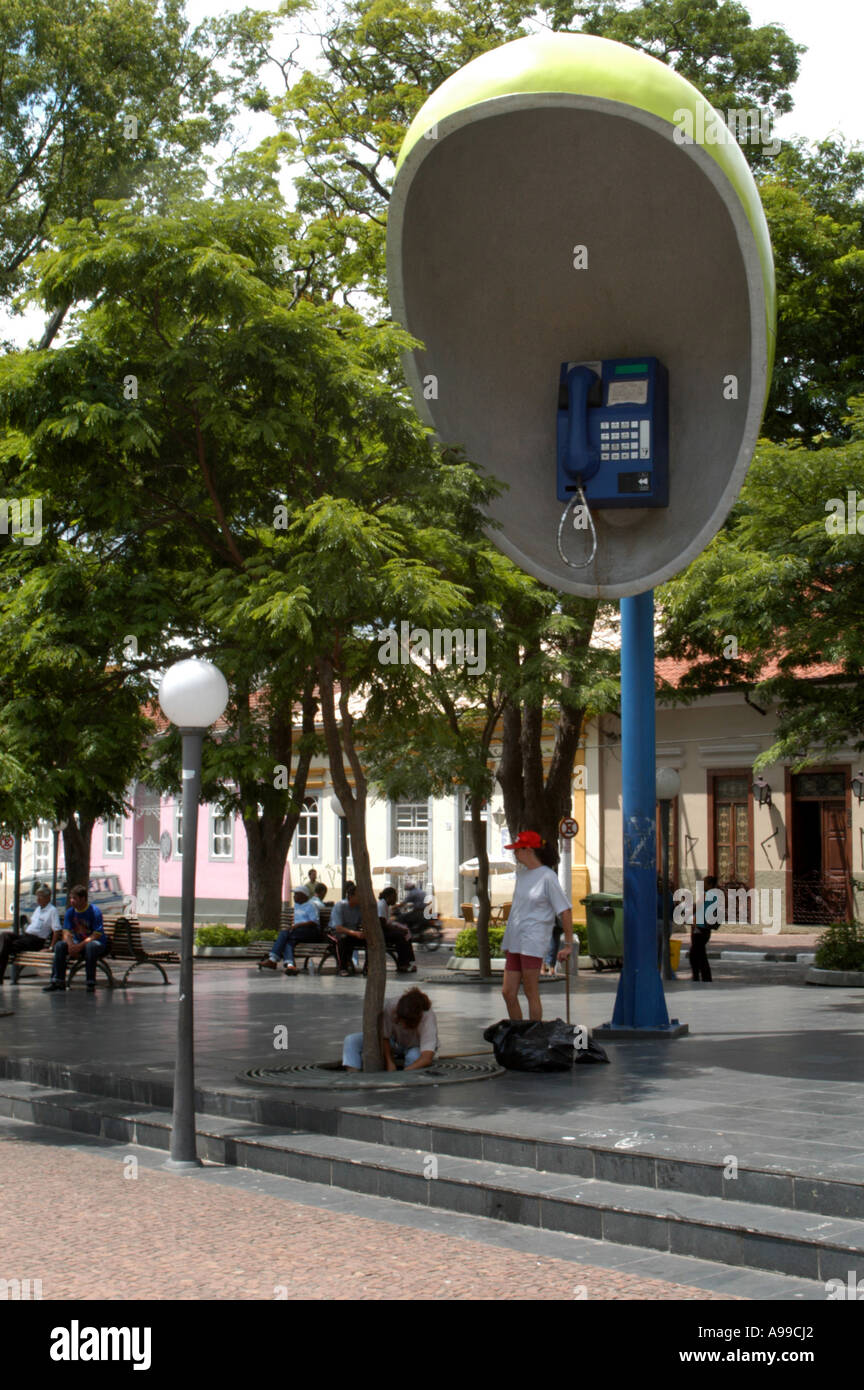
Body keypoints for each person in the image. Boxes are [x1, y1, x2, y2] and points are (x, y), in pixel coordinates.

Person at [501, 831, 573, 1021]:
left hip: (532, 941)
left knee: (531, 991)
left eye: (518, 850)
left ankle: (534, 1036)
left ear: (529, 850)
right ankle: (519, 1034)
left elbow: (565, 910)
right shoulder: (522, 876)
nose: (515, 854)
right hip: (515, 940)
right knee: (508, 993)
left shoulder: (548, 877)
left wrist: (568, 944)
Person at [342, 987, 438, 1072]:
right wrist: (389, 1061)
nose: (403, 1026)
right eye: (400, 1021)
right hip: (395, 1042)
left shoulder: (427, 1016)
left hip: (416, 1046)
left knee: (413, 1057)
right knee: (351, 1040)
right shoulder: (392, 1006)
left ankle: (409, 1079)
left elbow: (426, 1057)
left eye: (407, 1023)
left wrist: (403, 1073)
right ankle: (353, 1074)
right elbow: (385, 1036)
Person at [44, 885, 109, 993]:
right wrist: (70, 945)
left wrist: (79, 946)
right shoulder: (70, 912)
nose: (72, 901)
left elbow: (96, 935)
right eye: (71, 898)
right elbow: (66, 931)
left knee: (91, 947)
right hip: (78, 943)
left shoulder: (94, 911)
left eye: (74, 898)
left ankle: (90, 982)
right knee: (60, 946)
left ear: (83, 898)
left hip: (96, 943)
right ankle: (57, 981)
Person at [0, 886, 61, 984]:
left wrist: (50, 947)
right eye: (37, 896)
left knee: (6, 947)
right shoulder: (38, 909)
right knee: (4, 936)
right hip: (26, 936)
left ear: (48, 898)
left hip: (36, 940)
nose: (37, 899)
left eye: (40, 897)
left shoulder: (52, 911)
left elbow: (57, 930)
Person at [261, 888, 322, 974]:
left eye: (296, 894)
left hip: (311, 932)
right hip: (298, 932)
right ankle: (290, 965)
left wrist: (297, 925)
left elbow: (314, 922)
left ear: (303, 895)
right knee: (288, 942)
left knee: (284, 934)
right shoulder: (297, 905)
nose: (294, 896)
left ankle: (273, 959)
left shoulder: (311, 905)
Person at [689, 874, 722, 982]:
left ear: (710, 884)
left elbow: (696, 907)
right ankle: (704, 977)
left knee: (695, 955)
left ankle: (699, 977)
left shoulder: (708, 895)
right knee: (699, 953)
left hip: (700, 929)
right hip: (704, 929)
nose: (702, 885)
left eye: (704, 883)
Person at [329, 885, 366, 975]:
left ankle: (368, 967)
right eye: (359, 895)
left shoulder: (359, 908)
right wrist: (355, 933)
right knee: (342, 939)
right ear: (351, 896)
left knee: (370, 940)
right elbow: (338, 928)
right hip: (336, 932)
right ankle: (342, 968)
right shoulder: (340, 906)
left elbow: (364, 923)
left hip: (352, 934)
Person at [377, 886, 416, 973]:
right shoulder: (381, 905)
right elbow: (382, 924)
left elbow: (387, 922)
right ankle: (402, 964)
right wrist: (397, 929)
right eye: (394, 896)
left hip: (384, 930)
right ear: (388, 896)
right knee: (400, 936)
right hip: (380, 933)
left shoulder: (386, 906)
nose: (396, 899)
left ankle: (407, 962)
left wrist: (399, 928)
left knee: (406, 934)